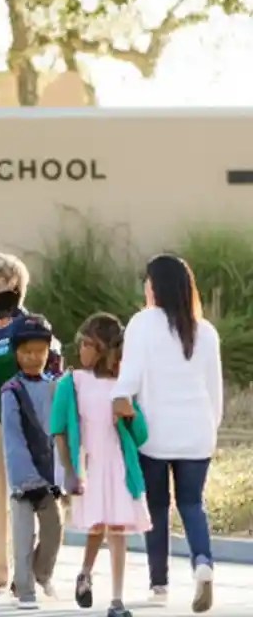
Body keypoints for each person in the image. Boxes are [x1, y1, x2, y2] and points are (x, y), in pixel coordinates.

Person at [111, 254, 223, 613]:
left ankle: (159, 583)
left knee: (156, 507)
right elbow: (215, 390)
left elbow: (130, 377)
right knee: (192, 504)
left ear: (154, 285)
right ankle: (203, 563)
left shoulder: (142, 323)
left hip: (154, 435)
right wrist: (210, 428)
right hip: (197, 434)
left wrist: (117, 401)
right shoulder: (204, 330)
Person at [0, 252, 64, 597]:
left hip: (30, 419)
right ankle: (1, 571)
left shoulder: (31, 325)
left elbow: (54, 367)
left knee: (30, 492)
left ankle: (33, 567)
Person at [51, 313, 150, 617]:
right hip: (90, 466)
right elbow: (58, 429)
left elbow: (141, 436)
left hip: (119, 466)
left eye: (89, 345)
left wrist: (130, 415)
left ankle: (118, 600)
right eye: (81, 344)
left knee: (117, 527)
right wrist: (69, 470)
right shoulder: (73, 382)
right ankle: (85, 573)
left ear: (105, 349)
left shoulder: (123, 384)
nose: (81, 350)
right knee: (97, 526)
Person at [0, 314, 65, 611]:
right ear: (16, 353)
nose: (33, 357)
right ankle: (24, 591)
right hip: (24, 480)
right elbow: (13, 439)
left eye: (40, 351)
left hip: (49, 476)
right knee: (24, 536)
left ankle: (41, 574)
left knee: (54, 528)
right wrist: (26, 480)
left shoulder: (55, 386)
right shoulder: (11, 391)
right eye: (26, 352)